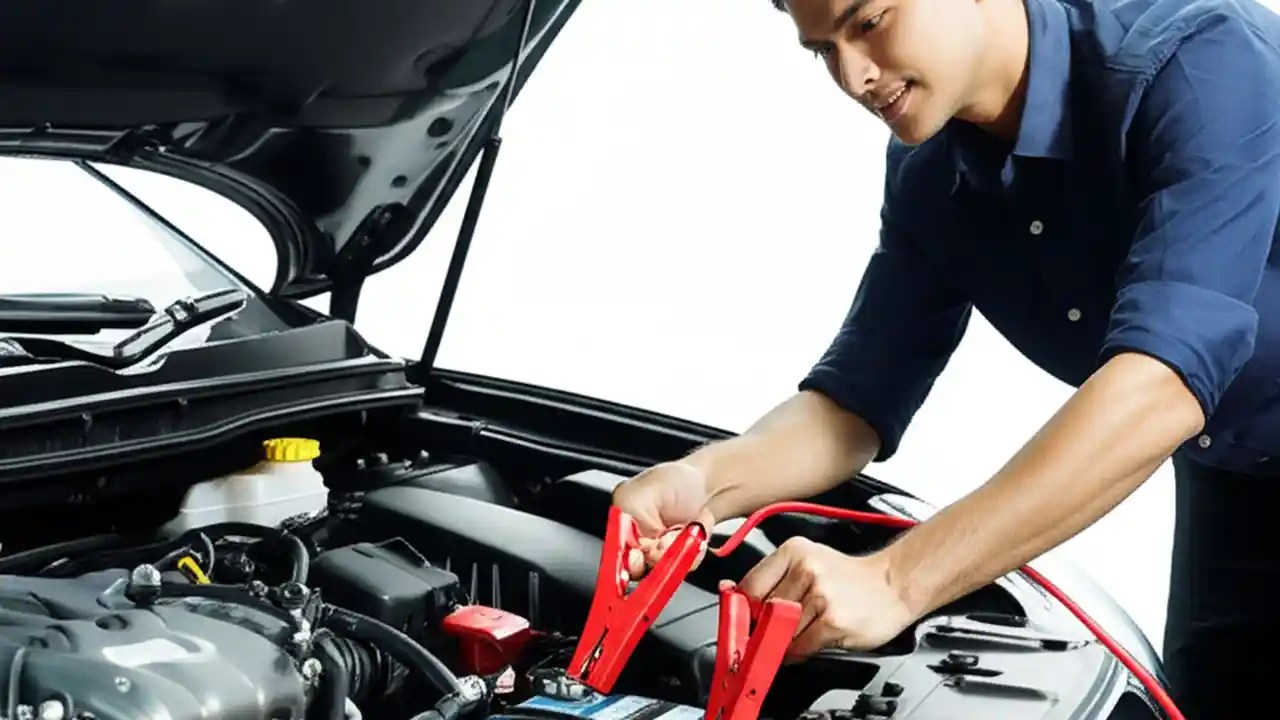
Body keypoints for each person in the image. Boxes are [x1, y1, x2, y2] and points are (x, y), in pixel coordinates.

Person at [609, 0, 1280, 716]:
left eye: (867, 22)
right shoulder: (930, 172)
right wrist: (704, 483)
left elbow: (1163, 384)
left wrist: (898, 582)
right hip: (1238, 474)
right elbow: (854, 401)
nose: (854, 76)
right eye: (822, 50)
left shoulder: (1200, 61)